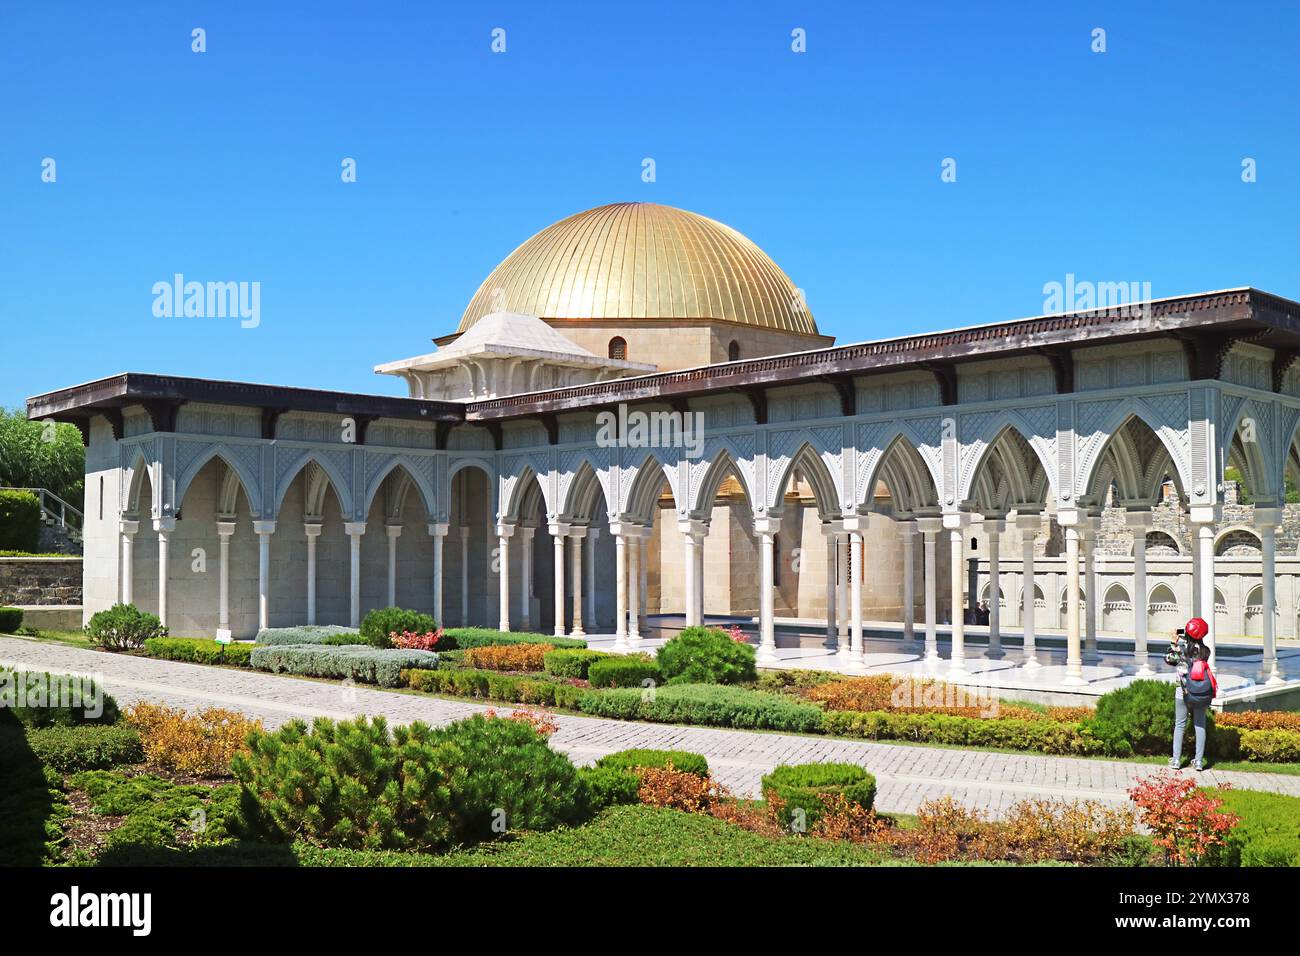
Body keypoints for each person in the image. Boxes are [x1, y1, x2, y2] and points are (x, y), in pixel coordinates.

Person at [1172, 633, 1217, 771]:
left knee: (1180, 724)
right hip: (1200, 693)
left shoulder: (1183, 649)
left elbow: (1169, 659)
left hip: (1182, 691)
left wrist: (1174, 643)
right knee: (1200, 725)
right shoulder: (1205, 651)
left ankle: (1176, 761)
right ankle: (1198, 762)